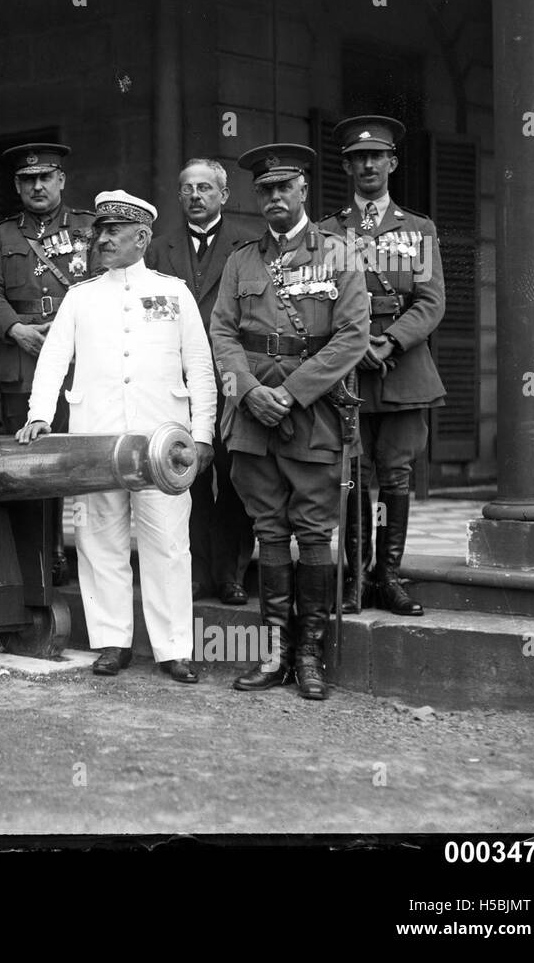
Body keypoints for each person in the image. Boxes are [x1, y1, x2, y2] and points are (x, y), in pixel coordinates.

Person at [18, 190, 216, 682]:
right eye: (99, 231)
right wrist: (40, 414)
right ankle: (112, 642)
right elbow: (53, 358)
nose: (101, 239)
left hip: (160, 438)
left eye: (112, 232)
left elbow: (200, 366)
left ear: (141, 238)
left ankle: (174, 649)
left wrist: (204, 434)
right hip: (96, 438)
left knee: (168, 543)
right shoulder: (81, 296)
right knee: (98, 539)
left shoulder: (173, 293)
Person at [210, 144, 369, 701]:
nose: (275, 197)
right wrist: (250, 392)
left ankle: (309, 657)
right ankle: (273, 655)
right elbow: (222, 334)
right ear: (257, 198)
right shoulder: (240, 261)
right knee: (268, 532)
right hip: (253, 418)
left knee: (312, 531)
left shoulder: (340, 254)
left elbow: (352, 336)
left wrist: (292, 394)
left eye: (285, 187)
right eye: (265, 190)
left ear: (304, 190)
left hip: (313, 415)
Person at [319, 116, 446, 616]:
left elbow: (431, 302)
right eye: (357, 158)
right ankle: (355, 579)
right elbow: (319, 298)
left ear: (392, 163)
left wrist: (389, 341)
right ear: (347, 167)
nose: (367, 165)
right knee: (352, 474)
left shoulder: (417, 230)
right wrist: (355, 345)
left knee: (395, 475)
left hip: (401, 367)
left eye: (376, 156)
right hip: (349, 372)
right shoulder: (329, 232)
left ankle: (388, 578)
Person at [0, 143, 96, 583]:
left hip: (76, 363)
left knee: (71, 458)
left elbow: (100, 287)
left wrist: (69, 335)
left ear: (61, 180)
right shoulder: (2, 235)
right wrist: (14, 330)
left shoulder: (88, 226)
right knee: (27, 464)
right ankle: (36, 556)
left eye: (46, 177)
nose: (37, 186)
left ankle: (67, 553)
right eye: (28, 180)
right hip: (21, 362)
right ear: (17, 186)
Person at [148, 158, 260, 606]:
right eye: (188, 188)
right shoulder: (158, 250)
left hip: (229, 378)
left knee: (235, 478)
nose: (196, 196)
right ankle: (194, 573)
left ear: (223, 195)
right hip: (178, 384)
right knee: (186, 478)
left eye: (205, 189)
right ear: (179, 195)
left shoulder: (246, 246)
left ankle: (231, 575)